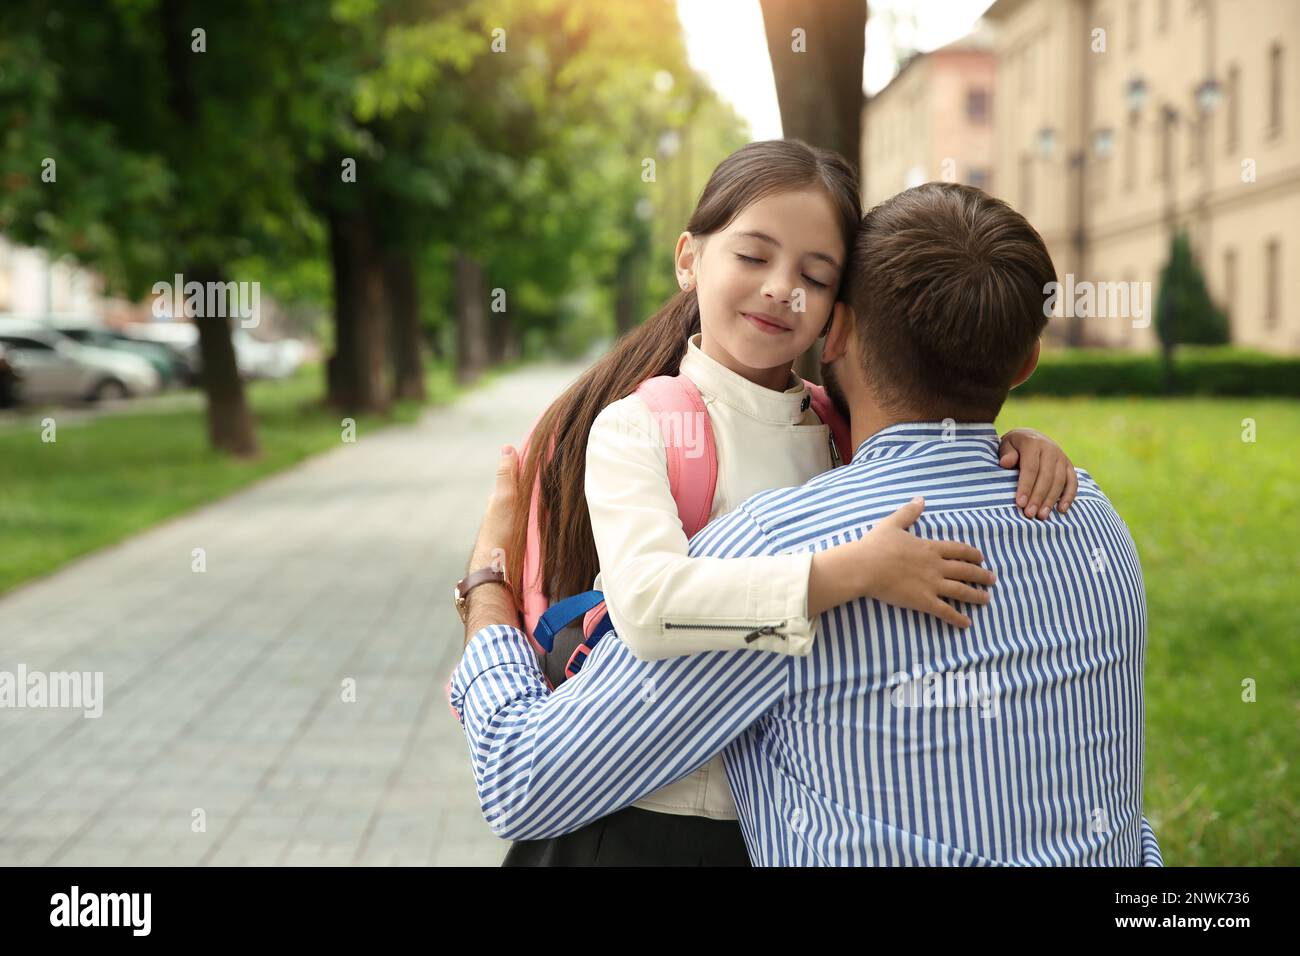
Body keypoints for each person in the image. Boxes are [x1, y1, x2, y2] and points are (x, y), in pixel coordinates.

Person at [472, 143, 1078, 865]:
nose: (781, 289)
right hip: (643, 815)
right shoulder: (641, 427)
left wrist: (1013, 443)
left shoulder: (834, 428)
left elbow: (932, 431)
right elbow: (646, 604)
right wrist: (850, 572)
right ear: (689, 259)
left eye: (815, 276)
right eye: (754, 257)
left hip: (766, 826)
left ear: (838, 313)